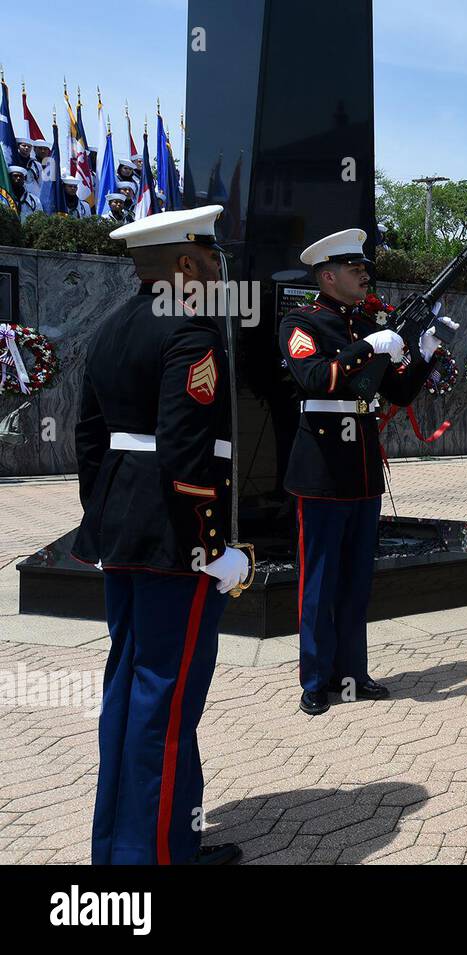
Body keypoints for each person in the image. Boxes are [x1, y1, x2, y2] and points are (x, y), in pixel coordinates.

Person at [73, 205, 249, 865]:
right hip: (177, 545)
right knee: (165, 704)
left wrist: (107, 522)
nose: (215, 265)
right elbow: (183, 449)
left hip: (126, 536)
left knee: (131, 690)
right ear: (183, 262)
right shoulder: (193, 330)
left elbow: (89, 440)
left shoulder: (112, 327)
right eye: (208, 254)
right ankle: (152, 860)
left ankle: (139, 844)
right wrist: (212, 548)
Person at [279, 228, 436, 716]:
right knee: (320, 578)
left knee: (354, 580)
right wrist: (370, 347)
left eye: (364, 267)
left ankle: (351, 673)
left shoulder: (359, 326)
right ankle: (315, 677)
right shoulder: (300, 322)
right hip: (322, 469)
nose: (365, 273)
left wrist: (424, 355)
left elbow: (400, 393)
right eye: (355, 268)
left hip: (362, 469)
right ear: (328, 276)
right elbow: (316, 378)